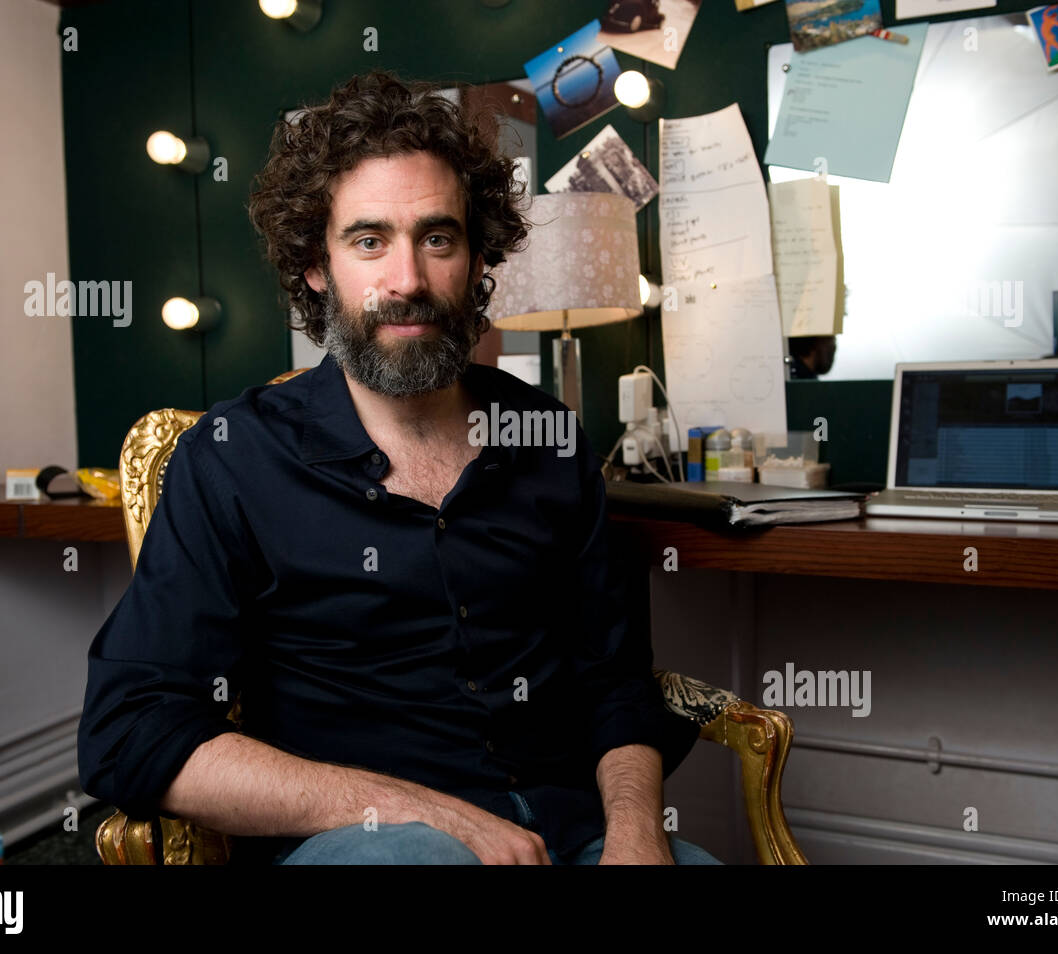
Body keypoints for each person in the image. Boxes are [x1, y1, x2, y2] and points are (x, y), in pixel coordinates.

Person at [78, 70, 718, 866]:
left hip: (572, 834)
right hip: (367, 845)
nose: (408, 281)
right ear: (316, 265)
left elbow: (615, 684)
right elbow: (130, 729)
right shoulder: (233, 459)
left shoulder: (548, 437)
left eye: (438, 239)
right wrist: (421, 814)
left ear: (476, 257)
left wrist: (632, 833)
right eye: (369, 240)